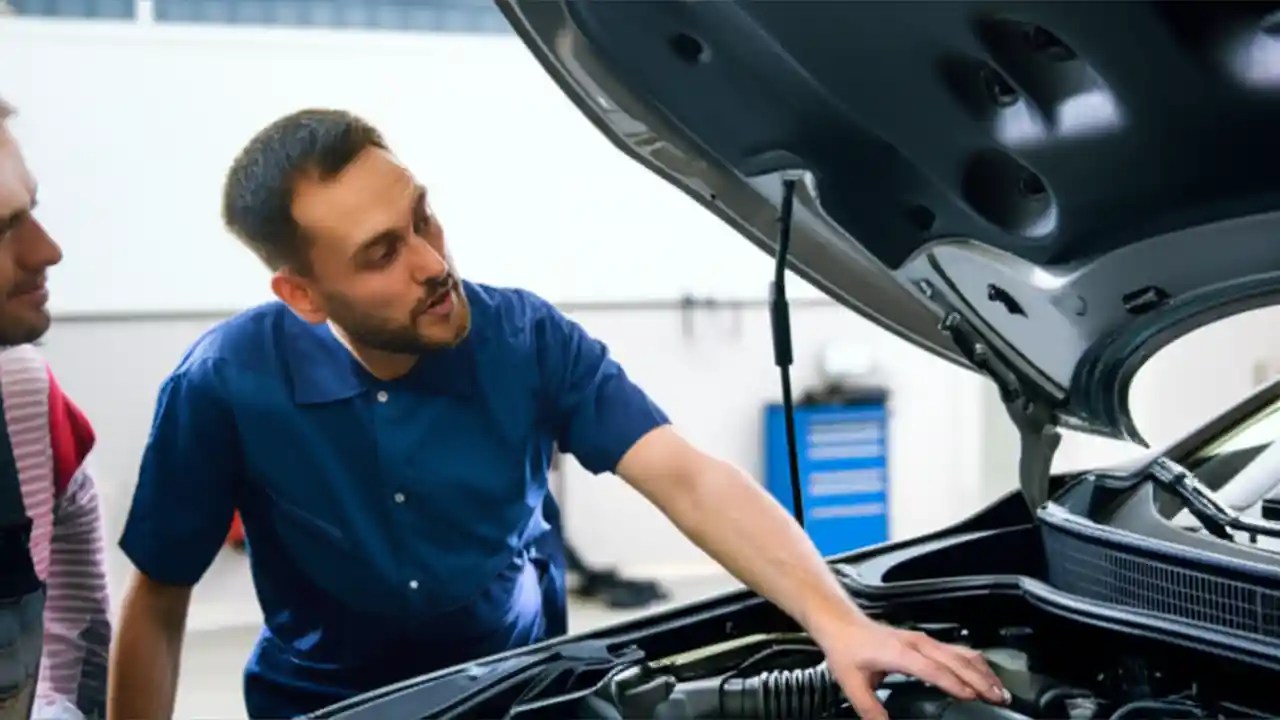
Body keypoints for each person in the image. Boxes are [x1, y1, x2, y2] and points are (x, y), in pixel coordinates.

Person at [106, 108, 1008, 720]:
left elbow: (687, 477)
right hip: (326, 705)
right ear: (304, 294)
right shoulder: (223, 384)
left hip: (517, 689)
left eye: (425, 219)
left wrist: (837, 621)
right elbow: (157, 600)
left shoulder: (525, 338)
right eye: (382, 253)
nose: (430, 262)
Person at [0, 97, 111, 719]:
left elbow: (81, 616)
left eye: (30, 212)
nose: (47, 251)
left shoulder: (24, 399)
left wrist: (56, 704)